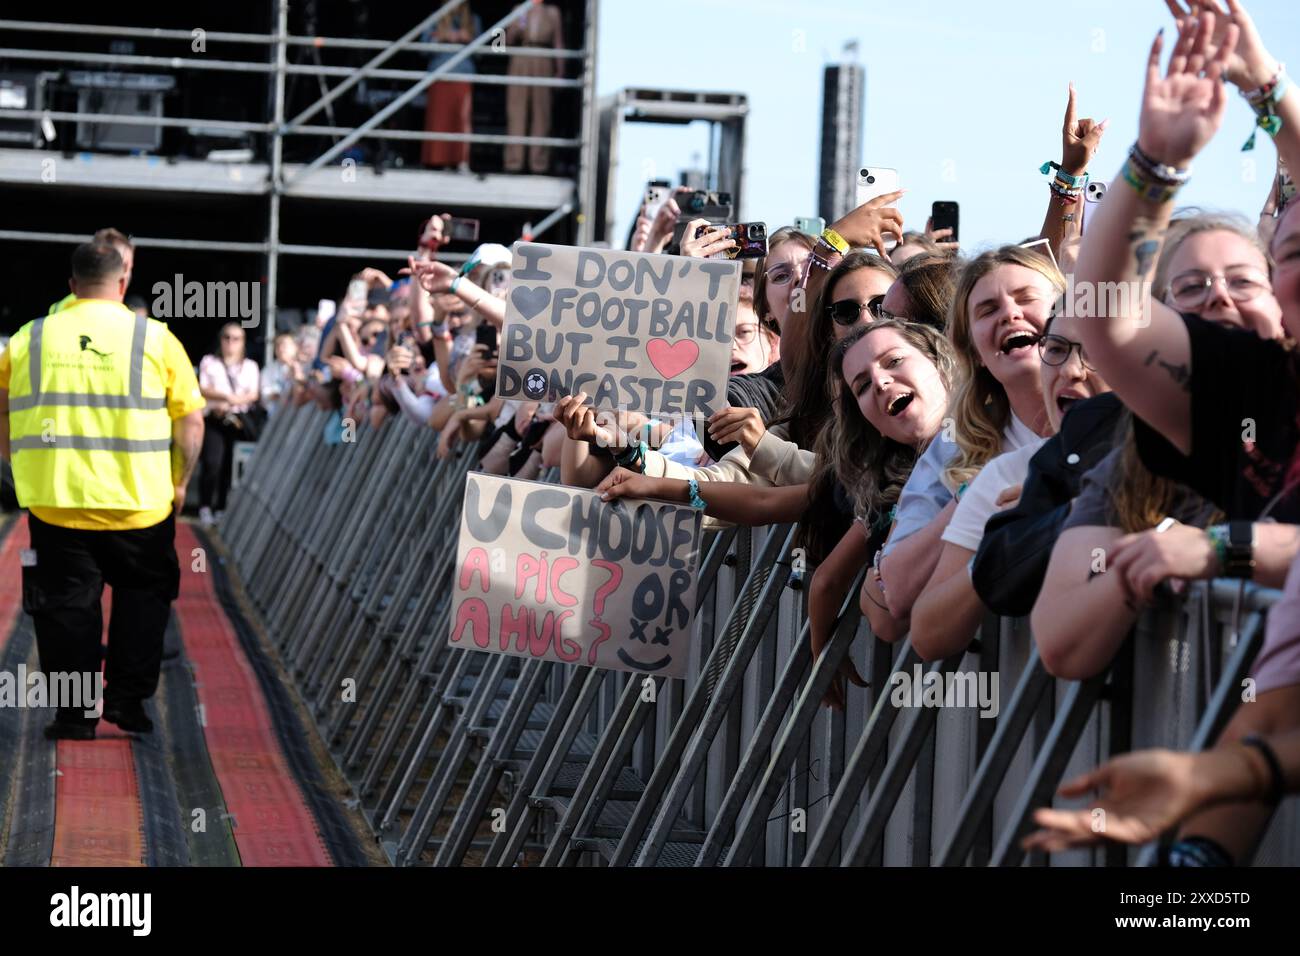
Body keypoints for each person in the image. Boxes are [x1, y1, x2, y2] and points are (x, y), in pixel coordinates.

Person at [0, 242, 204, 739]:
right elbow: (192, 422)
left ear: (71, 285)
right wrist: (180, 481)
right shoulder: (155, 338)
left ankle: (74, 715)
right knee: (143, 600)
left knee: (65, 607)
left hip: (57, 503)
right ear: (122, 285)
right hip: (140, 506)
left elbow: (1, 410)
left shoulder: (30, 338)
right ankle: (128, 705)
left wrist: (16, 463)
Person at [197, 322, 260, 526]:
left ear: (243, 342)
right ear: (220, 339)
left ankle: (222, 507)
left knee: (228, 466)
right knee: (212, 462)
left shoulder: (250, 366)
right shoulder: (209, 362)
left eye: (236, 338)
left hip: (237, 421)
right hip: (214, 419)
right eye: (227, 337)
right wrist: (227, 396)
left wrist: (234, 401)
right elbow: (202, 388)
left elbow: (254, 394)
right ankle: (205, 506)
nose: (231, 343)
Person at [504, 2, 565, 174]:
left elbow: (558, 42)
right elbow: (500, 44)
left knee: (542, 112)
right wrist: (514, 29)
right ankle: (514, 162)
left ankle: (539, 162)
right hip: (521, 56)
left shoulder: (553, 12)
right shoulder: (517, 10)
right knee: (516, 110)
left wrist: (560, 70)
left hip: (543, 58)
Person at [421, 2, 479, 171]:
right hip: (439, 74)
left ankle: (462, 161)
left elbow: (489, 50)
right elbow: (422, 48)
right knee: (440, 120)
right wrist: (442, 37)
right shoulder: (434, 18)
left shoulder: (474, 20)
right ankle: (442, 161)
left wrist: (470, 40)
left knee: (462, 120)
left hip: (463, 75)